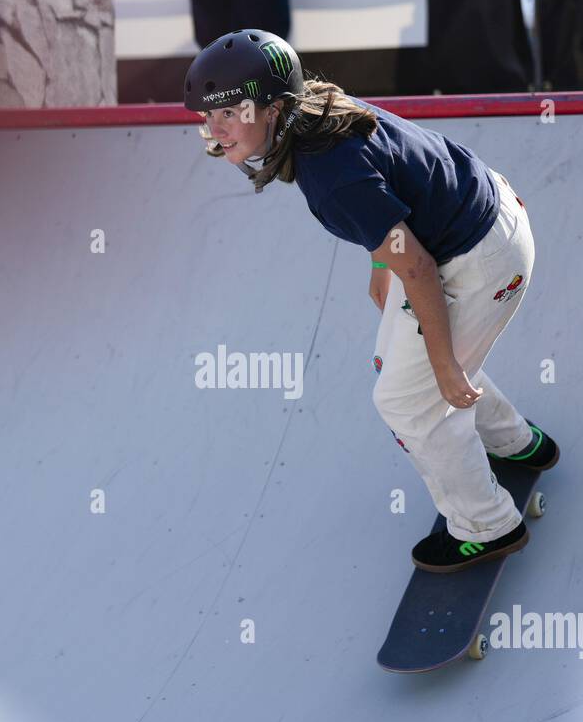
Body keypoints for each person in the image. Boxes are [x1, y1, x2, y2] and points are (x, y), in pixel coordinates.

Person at [183, 29, 558, 572]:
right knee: (397, 366)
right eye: (206, 118)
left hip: (478, 259)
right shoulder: (318, 107)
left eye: (230, 113)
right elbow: (392, 172)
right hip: (477, 214)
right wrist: (381, 260)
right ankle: (518, 444)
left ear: (274, 108)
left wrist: (445, 361)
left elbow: (420, 266)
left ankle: (489, 525)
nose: (215, 132)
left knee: (410, 401)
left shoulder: (328, 178)